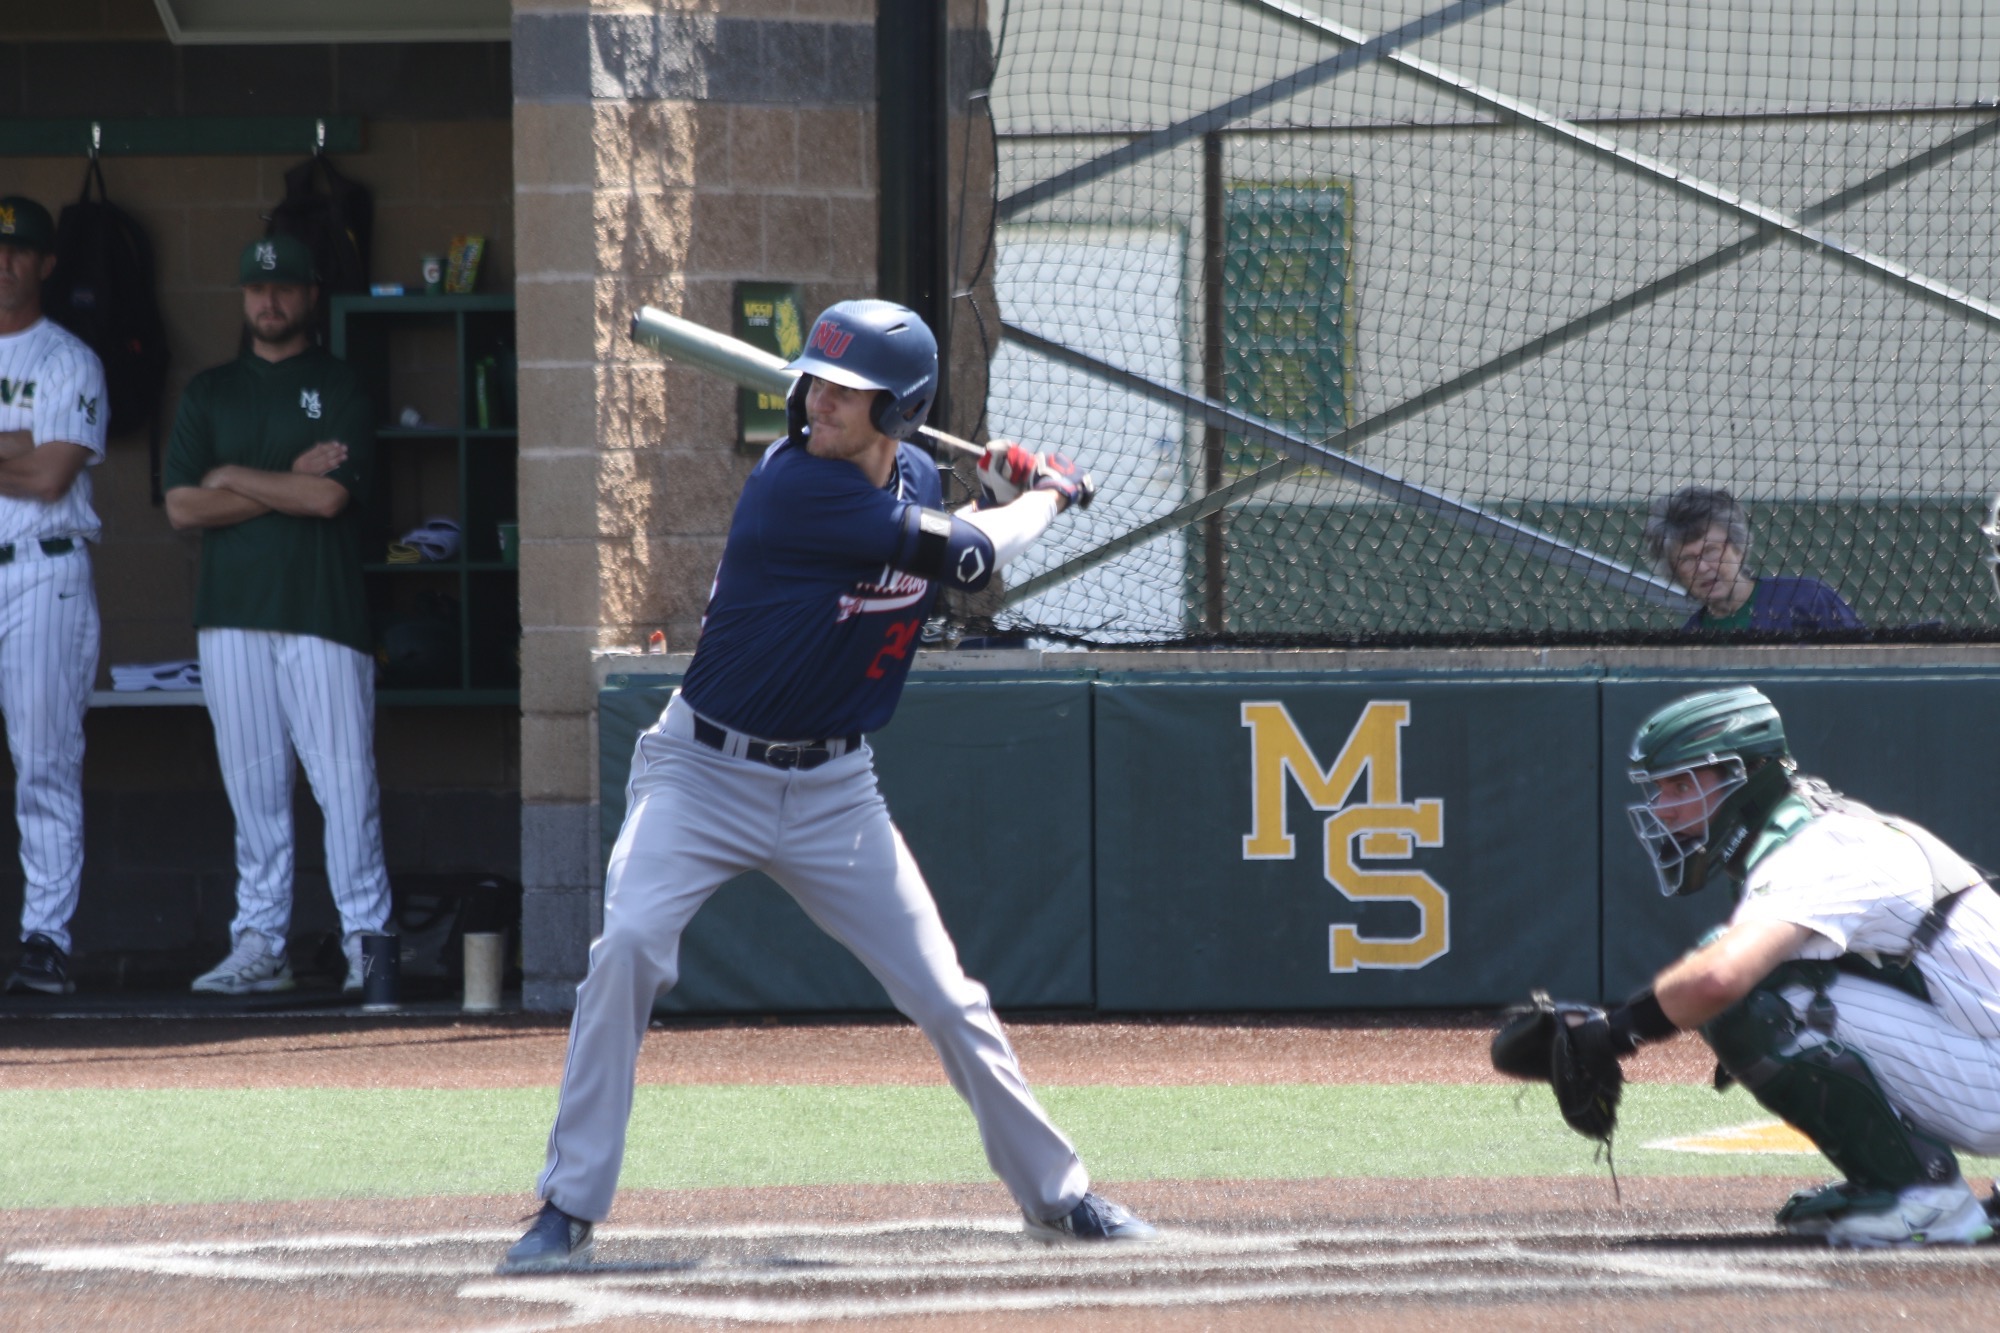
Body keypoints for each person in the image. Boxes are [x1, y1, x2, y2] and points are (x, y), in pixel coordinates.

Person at [499, 300, 1155, 1274]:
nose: (814, 401)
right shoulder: (791, 488)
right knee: (628, 947)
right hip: (702, 771)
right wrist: (1047, 492)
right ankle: (566, 1206)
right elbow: (967, 556)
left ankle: (1056, 1196)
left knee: (944, 993)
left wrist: (995, 482)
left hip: (834, 791)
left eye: (846, 390)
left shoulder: (915, 474)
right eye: (814, 381)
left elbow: (944, 521)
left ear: (898, 411)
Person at [1565, 687, 2000, 1246]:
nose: (1663, 807)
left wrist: (1612, 1033)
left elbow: (1717, 978)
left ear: (1746, 776)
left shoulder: (1818, 849)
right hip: (1984, 1048)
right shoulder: (1827, 823)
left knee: (1752, 995)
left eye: (1681, 785)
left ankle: (1924, 1197)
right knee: (1773, 975)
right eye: (1658, 789)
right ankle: (1893, 1178)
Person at [161, 234, 391, 996]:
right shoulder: (211, 391)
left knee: (344, 785)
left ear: (310, 294)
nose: (270, 301)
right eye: (258, 289)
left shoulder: (341, 383)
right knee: (253, 789)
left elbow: (328, 497)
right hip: (230, 614)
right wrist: (279, 479)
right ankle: (262, 939)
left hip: (322, 612)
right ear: (242, 296)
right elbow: (182, 506)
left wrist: (234, 478)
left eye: (285, 287)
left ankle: (368, 939)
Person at [0, 197, 109, 997]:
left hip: (44, 567)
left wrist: (28, 451)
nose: (4, 261)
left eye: (19, 249)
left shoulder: (69, 358)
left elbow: (49, 474)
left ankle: (45, 936)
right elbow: (25, 457)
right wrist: (17, 443)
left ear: (45, 263)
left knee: (43, 757)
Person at [1644, 486, 1861, 632]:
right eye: (1687, 560)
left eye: (1711, 550)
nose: (1702, 567)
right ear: (1674, 571)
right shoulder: (1690, 639)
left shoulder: (1806, 600)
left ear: (1738, 548)